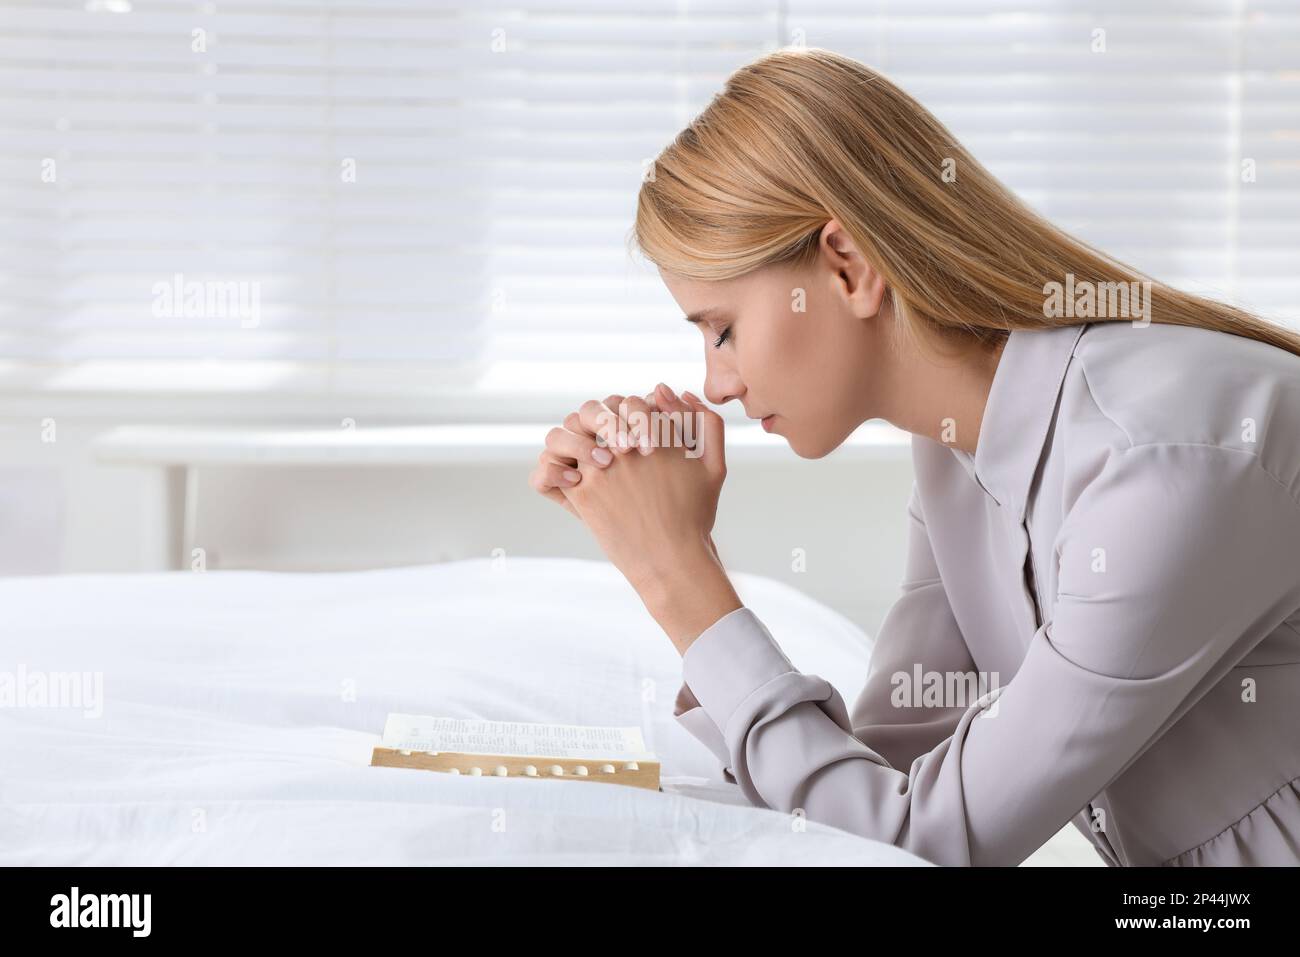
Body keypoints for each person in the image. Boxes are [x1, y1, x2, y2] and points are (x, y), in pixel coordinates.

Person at [528, 48, 1300, 866]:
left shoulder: (1164, 463)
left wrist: (676, 573)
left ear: (847, 265)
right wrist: (687, 562)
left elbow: (931, 840)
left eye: (722, 329)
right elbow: (881, 785)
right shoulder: (953, 458)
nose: (715, 385)